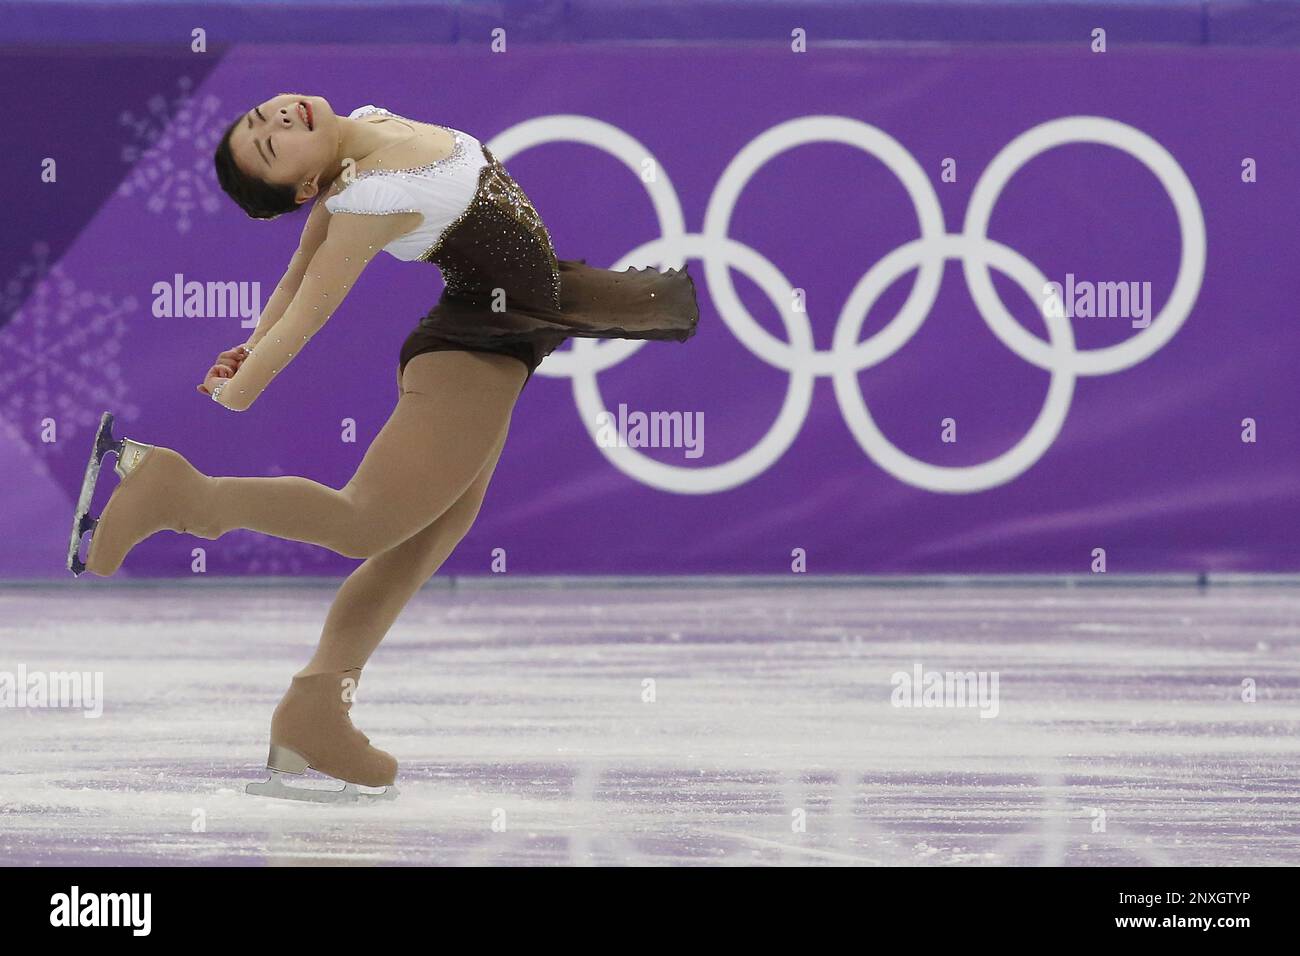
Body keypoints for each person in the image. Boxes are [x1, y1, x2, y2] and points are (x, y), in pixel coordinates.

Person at [67, 93, 699, 802]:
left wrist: (247, 349)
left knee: (428, 531)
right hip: (474, 349)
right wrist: (246, 386)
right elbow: (311, 304)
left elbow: (295, 268)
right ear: (309, 186)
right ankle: (186, 495)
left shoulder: (370, 130)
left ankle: (316, 710)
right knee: (365, 520)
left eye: (262, 118)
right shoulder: (374, 197)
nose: (277, 121)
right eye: (270, 147)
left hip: (492, 338)